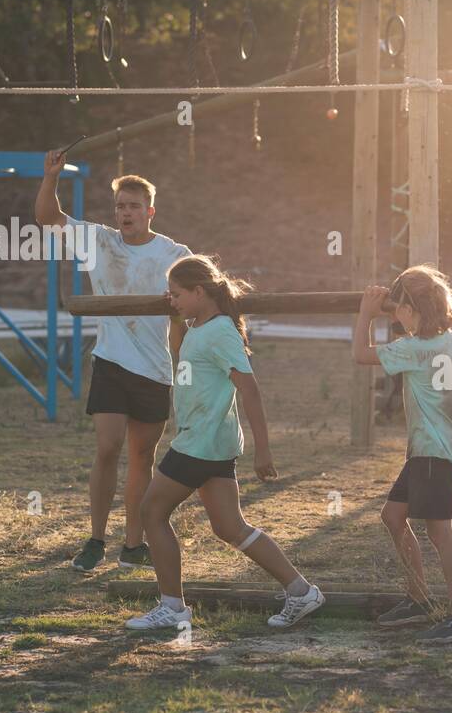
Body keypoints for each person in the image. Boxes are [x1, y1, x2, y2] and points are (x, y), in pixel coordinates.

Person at [125, 255, 325, 631]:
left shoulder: (219, 331)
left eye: (178, 294)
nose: (173, 300)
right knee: (230, 527)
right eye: (170, 296)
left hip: (201, 441)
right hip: (211, 440)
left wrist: (264, 449)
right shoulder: (199, 326)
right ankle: (301, 591)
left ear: (200, 291)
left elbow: (249, 389)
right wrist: (175, 318)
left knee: (151, 511)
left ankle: (173, 607)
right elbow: (185, 354)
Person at [36, 150, 190, 572]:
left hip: (155, 368)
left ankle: (133, 544)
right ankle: (96, 539)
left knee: (143, 456)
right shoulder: (98, 240)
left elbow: (196, 298)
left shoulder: (173, 252)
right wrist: (50, 177)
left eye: (134, 206)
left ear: (150, 211)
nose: (126, 213)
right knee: (107, 448)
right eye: (120, 206)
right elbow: (48, 218)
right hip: (111, 362)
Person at [352, 267, 452, 645]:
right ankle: (419, 598)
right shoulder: (445, 338)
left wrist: (365, 314)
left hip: (433, 451)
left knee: (440, 531)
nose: (395, 315)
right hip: (429, 450)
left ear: (412, 307)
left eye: (398, 307)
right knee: (393, 516)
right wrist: (391, 310)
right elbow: (408, 331)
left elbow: (361, 355)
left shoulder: (415, 348)